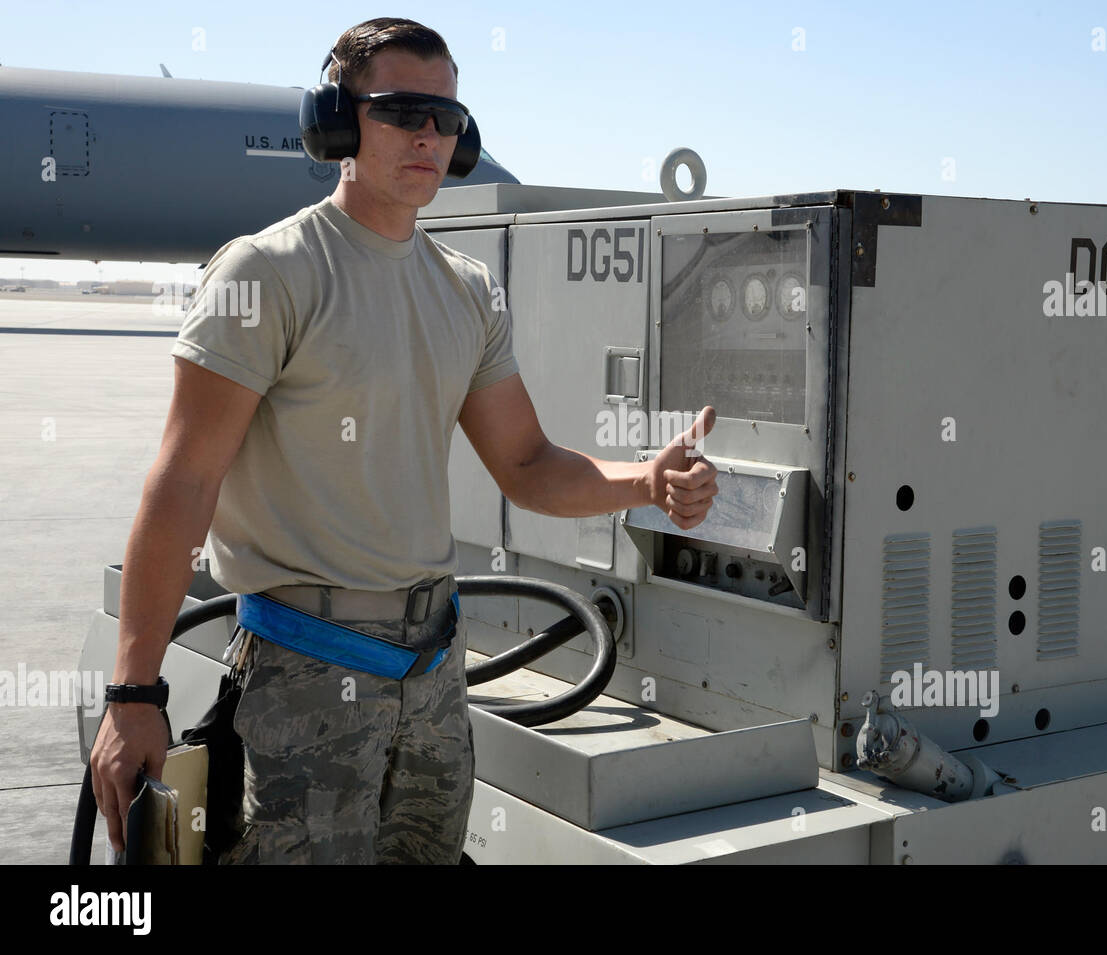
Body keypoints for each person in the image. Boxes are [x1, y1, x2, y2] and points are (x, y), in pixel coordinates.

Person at [89, 17, 719, 864]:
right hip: (302, 679)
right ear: (338, 125)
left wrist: (643, 481)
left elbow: (529, 465)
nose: (429, 135)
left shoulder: (467, 293)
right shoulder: (268, 274)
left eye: (446, 118)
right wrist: (134, 694)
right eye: (401, 111)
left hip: (432, 682)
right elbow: (183, 483)